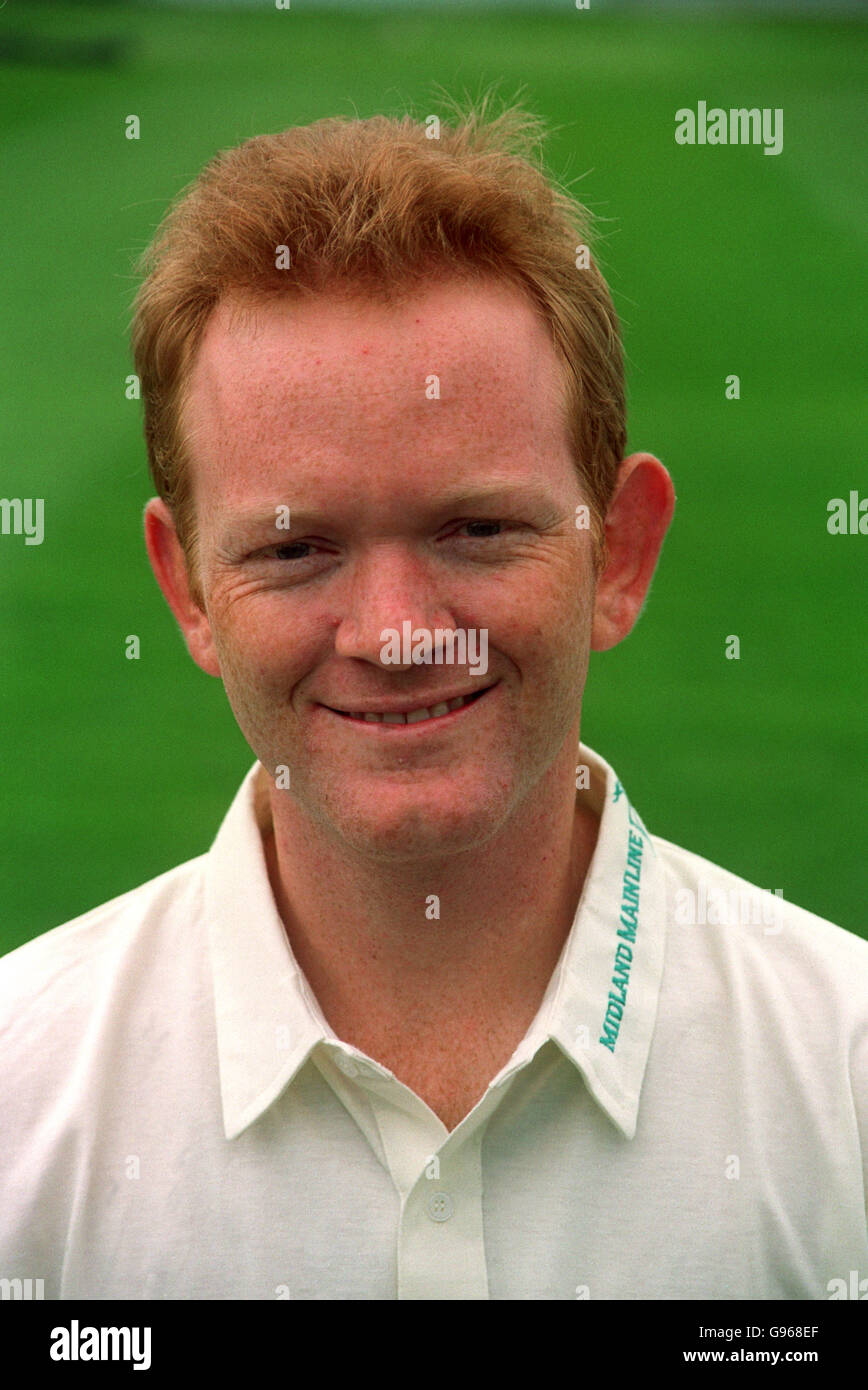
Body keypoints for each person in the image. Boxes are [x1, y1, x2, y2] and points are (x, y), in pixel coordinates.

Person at [1, 102, 865, 1302]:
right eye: (295, 549)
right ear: (186, 588)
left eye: (477, 530)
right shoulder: (20, 1097)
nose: (396, 630)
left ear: (618, 552)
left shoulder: (844, 1078)